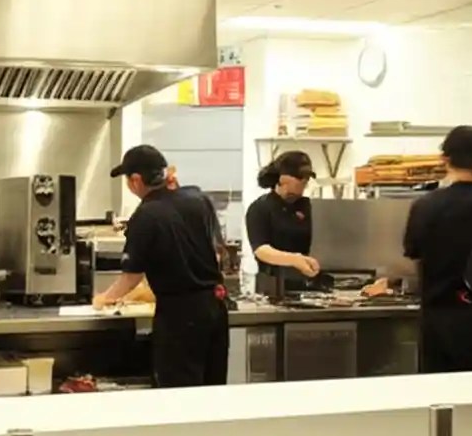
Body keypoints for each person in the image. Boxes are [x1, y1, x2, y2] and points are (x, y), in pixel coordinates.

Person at [94, 145, 228, 388]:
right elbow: (217, 252)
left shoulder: (146, 215)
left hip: (180, 316)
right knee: (213, 389)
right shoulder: (199, 198)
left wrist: (104, 298)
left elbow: (131, 277)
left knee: (180, 394)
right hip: (215, 307)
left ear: (135, 180)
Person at [402, 125, 472, 372]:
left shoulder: (425, 206)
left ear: (445, 158)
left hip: (437, 319)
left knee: (439, 397)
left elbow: (413, 251)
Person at [245, 151, 320, 296]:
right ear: (281, 179)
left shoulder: (307, 206)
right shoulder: (260, 208)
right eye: (300, 177)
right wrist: (295, 259)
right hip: (272, 287)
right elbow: (261, 250)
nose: (304, 182)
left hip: (308, 287)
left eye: (305, 181)